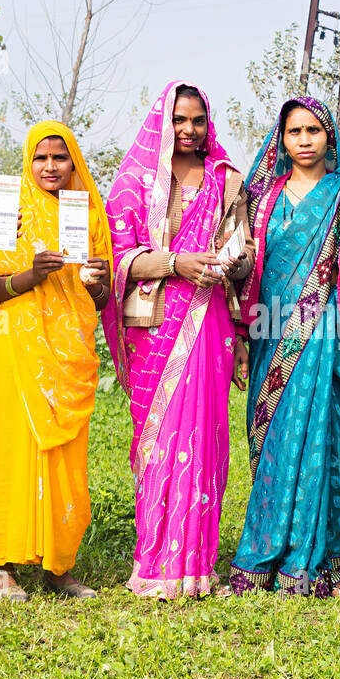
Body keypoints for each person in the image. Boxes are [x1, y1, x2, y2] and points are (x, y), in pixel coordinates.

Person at [103, 81, 254, 599]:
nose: (189, 130)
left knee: (204, 438)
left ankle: (194, 564)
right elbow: (119, 258)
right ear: (163, 123)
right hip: (155, 322)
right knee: (158, 440)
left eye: (197, 120)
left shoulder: (227, 180)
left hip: (209, 320)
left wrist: (235, 262)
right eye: (179, 120)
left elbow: (246, 251)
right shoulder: (134, 182)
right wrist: (174, 263)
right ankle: (155, 559)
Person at [224, 97, 340, 598]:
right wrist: (243, 336)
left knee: (326, 439)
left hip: (330, 333)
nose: (305, 140)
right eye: (295, 131)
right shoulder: (261, 197)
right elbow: (248, 273)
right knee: (276, 443)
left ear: (330, 137)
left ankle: (320, 560)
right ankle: (266, 551)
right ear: (281, 139)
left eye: (314, 130)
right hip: (269, 332)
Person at [0, 121, 113, 601]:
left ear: (74, 162)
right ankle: (2, 567)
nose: (50, 167)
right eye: (40, 158)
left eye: (60, 157)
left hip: (69, 350)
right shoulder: (7, 208)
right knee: (9, 448)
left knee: (65, 459)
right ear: (27, 161)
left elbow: (102, 294)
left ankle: (59, 566)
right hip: (17, 346)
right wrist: (30, 275)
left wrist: (96, 282)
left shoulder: (89, 212)